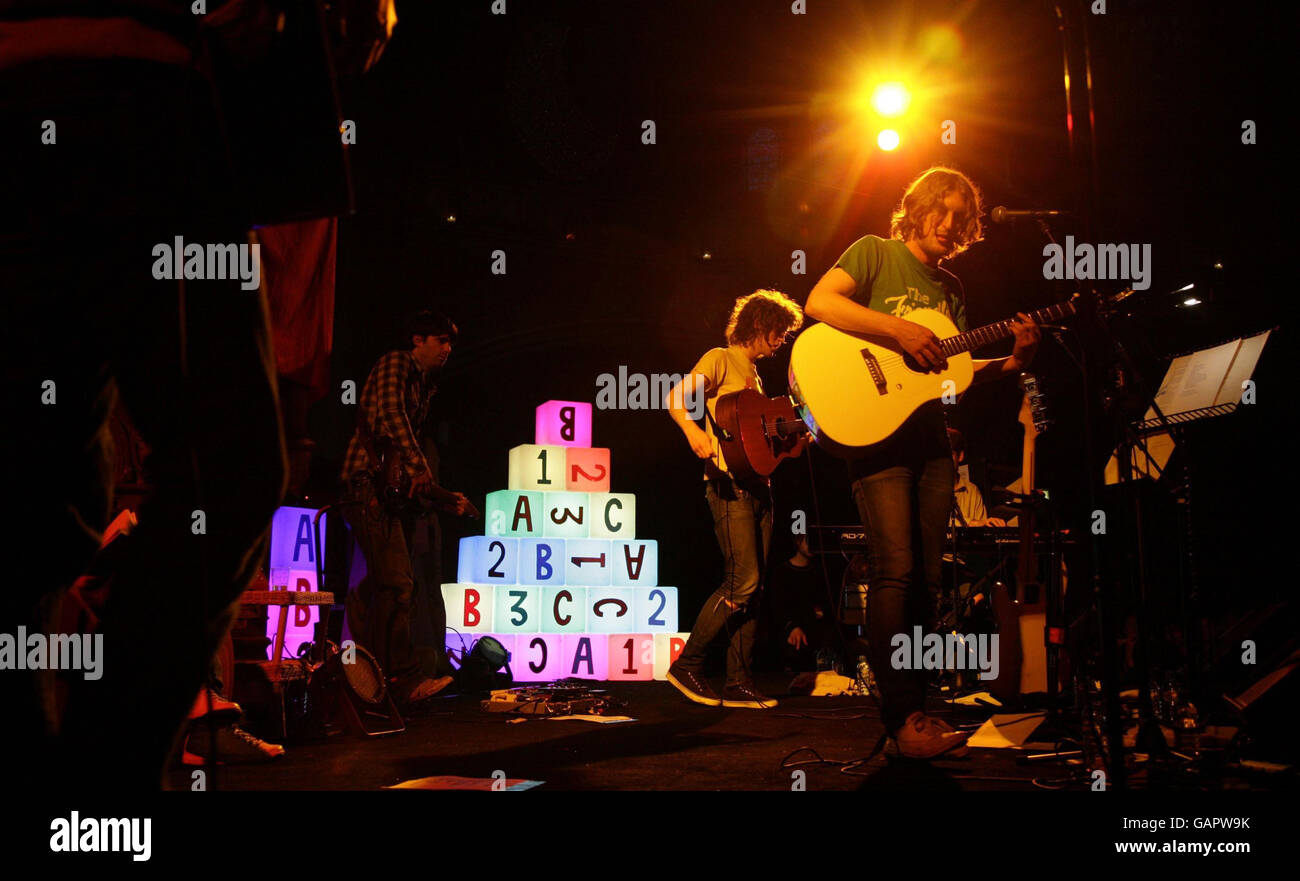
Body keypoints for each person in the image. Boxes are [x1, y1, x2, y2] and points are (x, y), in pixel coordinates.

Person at [804, 167, 1040, 758]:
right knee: (896, 571)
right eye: (942, 209)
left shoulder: (953, 289)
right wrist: (899, 330)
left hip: (932, 442)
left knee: (929, 582)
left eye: (962, 217)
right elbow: (818, 301)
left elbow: (951, 375)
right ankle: (902, 717)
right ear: (917, 208)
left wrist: (1010, 363)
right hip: (876, 436)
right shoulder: (875, 253)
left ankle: (920, 714)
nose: (950, 224)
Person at [662, 290, 804, 709]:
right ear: (759, 326)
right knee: (741, 581)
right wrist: (693, 432)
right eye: (778, 333)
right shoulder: (720, 357)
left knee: (754, 589)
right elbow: (675, 397)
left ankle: (738, 682)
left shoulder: (757, 377)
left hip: (760, 488)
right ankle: (688, 665)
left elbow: (758, 440)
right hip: (729, 486)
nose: (782, 342)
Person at [340, 310, 471, 706]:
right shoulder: (397, 362)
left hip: (380, 490)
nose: (447, 349)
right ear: (418, 339)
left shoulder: (425, 386)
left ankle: (369, 675)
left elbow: (402, 451)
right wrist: (420, 467)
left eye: (450, 343)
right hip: (364, 484)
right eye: (440, 340)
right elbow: (392, 418)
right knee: (397, 583)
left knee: (387, 583)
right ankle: (399, 679)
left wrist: (441, 496)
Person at [947, 428, 1007, 528]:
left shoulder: (972, 490)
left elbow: (981, 532)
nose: (944, 462)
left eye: (949, 454)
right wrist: (973, 523)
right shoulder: (929, 491)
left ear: (960, 456)